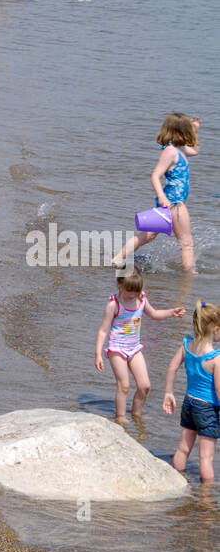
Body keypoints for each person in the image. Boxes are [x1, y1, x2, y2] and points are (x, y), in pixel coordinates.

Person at [111, 113, 201, 274]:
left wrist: (195, 130)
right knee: (187, 243)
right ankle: (190, 276)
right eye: (188, 130)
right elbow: (155, 175)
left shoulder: (180, 149)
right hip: (174, 203)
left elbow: (195, 151)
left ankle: (118, 258)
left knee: (149, 235)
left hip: (169, 202)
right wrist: (162, 197)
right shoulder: (170, 151)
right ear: (181, 131)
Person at [94, 267, 184, 424]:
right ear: (119, 284)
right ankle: (120, 417)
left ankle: (136, 414)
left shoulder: (141, 299)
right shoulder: (113, 305)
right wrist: (98, 354)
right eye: (129, 291)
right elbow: (103, 331)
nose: (133, 295)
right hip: (117, 349)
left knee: (144, 386)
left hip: (134, 348)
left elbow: (154, 314)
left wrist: (171, 312)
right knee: (124, 386)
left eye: (136, 291)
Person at [163, 301, 220, 483]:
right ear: (216, 329)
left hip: (189, 402)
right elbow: (218, 388)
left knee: (183, 448)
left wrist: (169, 393)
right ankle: (206, 496)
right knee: (206, 457)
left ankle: (176, 479)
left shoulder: (186, 346)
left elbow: (172, 367)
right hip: (208, 408)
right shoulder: (216, 358)